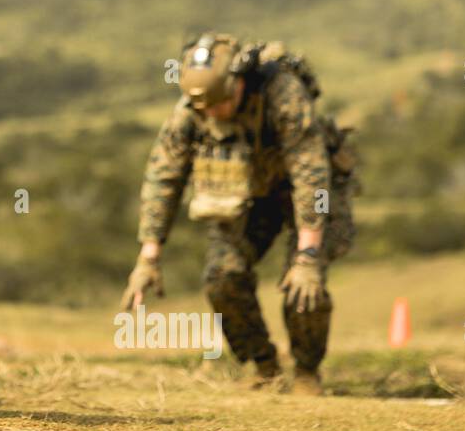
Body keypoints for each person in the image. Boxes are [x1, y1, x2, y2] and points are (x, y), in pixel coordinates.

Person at [122, 34, 358, 395]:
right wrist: (148, 257)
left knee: (303, 284)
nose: (213, 115)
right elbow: (163, 179)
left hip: (312, 194)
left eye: (221, 104)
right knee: (222, 279)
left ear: (239, 84)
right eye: (205, 109)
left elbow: (310, 176)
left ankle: (307, 372)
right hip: (252, 195)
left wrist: (308, 254)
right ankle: (264, 365)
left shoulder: (283, 94)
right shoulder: (191, 113)